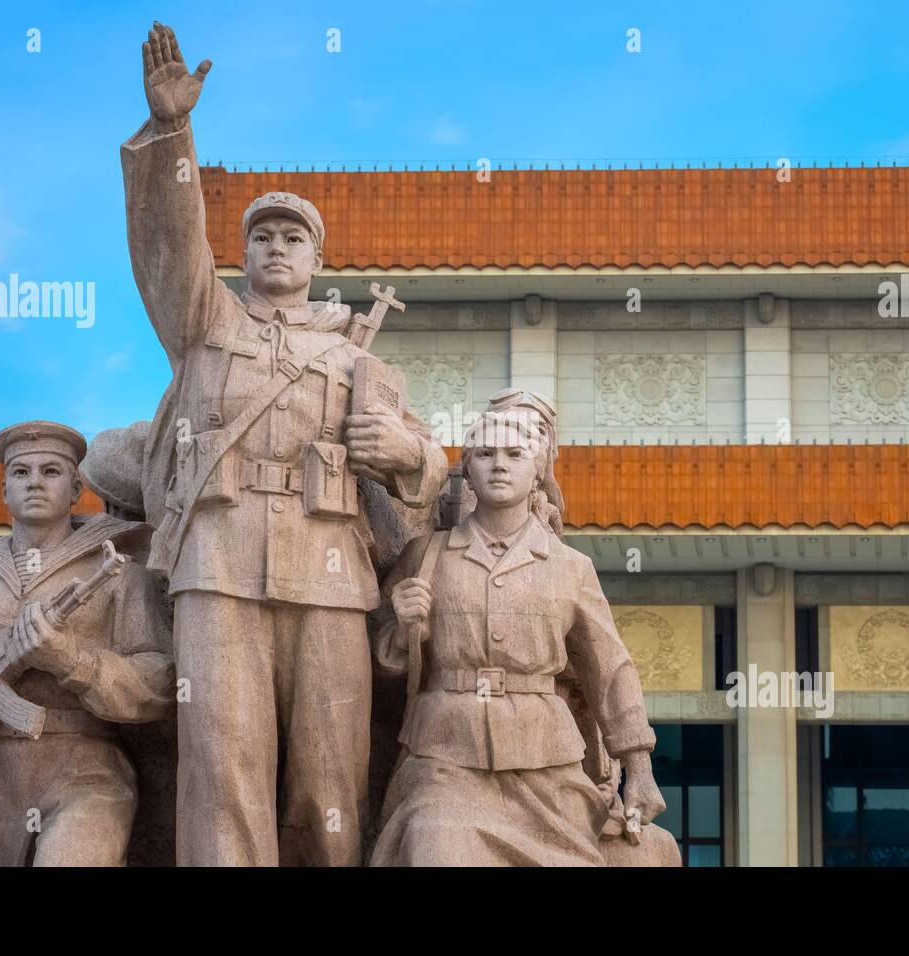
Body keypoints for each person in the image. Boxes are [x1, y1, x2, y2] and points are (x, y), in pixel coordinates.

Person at [122, 21, 448, 865]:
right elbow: (168, 250)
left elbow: (428, 464)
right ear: (242, 255)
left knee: (328, 776)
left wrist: (407, 454)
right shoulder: (205, 327)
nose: (275, 247)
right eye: (261, 236)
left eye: (292, 238)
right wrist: (172, 135)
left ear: (315, 259)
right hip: (219, 563)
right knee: (221, 766)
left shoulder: (352, 355)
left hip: (331, 572)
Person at [370, 410, 665, 865]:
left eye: (514, 454)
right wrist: (405, 630)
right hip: (445, 755)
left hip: (544, 762)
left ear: (537, 472)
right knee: (435, 842)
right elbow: (385, 667)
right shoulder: (426, 556)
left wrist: (639, 769)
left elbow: (610, 669)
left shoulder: (570, 568)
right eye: (484, 454)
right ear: (467, 469)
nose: (499, 465)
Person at [0, 421, 175, 866]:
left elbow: (160, 681)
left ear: (77, 488)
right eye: (21, 473)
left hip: (87, 771)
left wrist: (73, 662)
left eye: (52, 471)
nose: (35, 482)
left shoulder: (118, 571)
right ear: (4, 490)